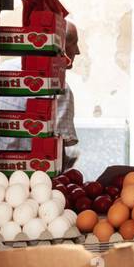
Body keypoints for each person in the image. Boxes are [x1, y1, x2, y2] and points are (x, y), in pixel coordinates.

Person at [55, 22, 80, 171]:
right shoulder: (60, 87)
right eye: (74, 43)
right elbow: (59, 146)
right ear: (61, 46)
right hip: (39, 176)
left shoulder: (7, 69)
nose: (77, 51)